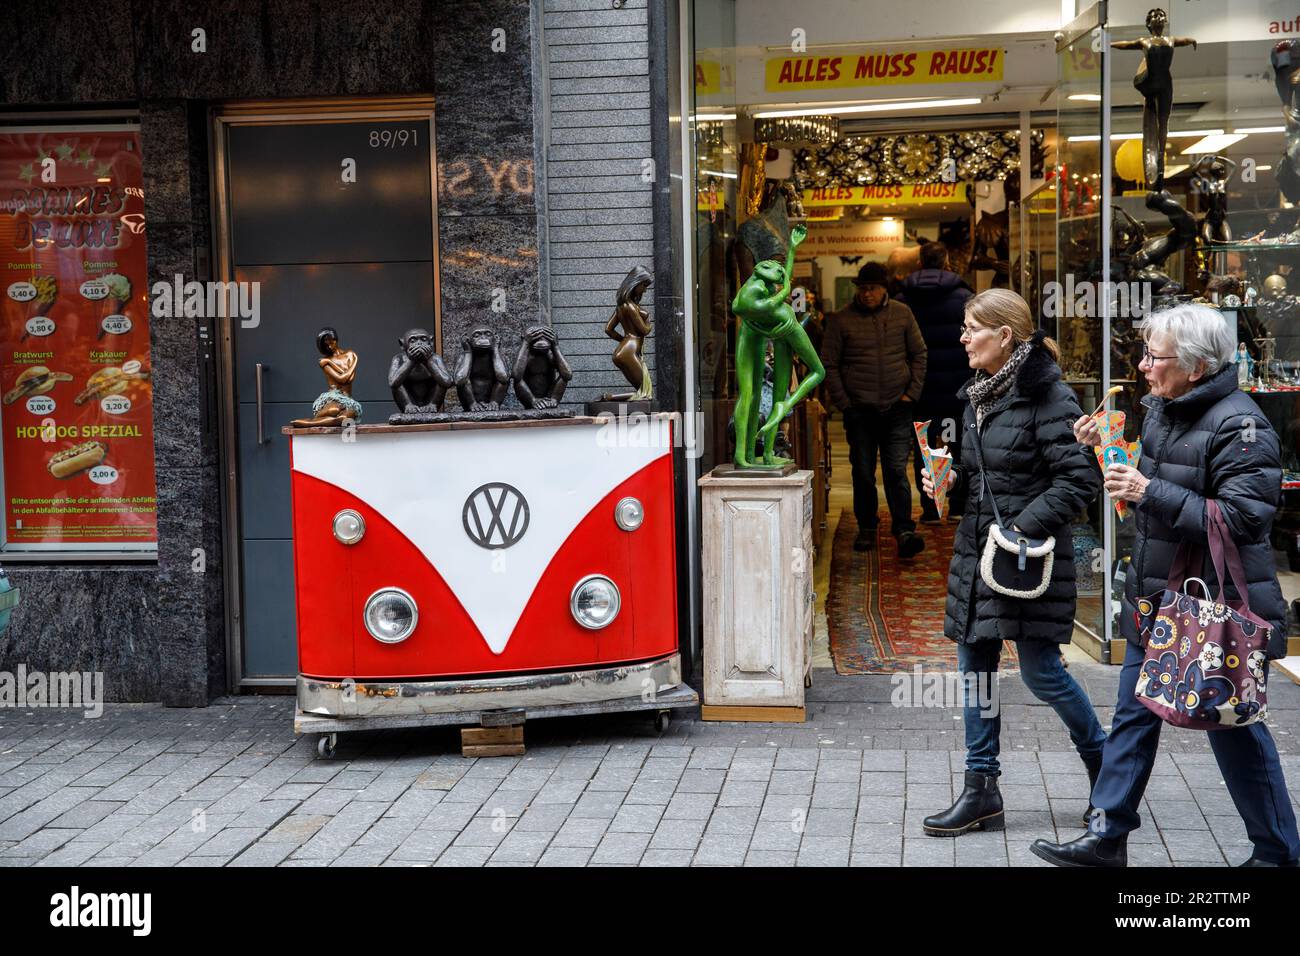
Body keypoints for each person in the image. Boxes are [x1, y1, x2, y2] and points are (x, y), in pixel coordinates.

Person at [1032, 304, 1300, 867]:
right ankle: (1107, 838)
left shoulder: (1243, 425)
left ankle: (1278, 853)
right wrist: (1106, 453)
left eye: (1156, 356)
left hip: (1212, 608)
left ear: (1196, 367)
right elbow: (1153, 495)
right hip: (1157, 595)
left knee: (1233, 728)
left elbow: (1243, 519)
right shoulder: (1163, 409)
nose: (1144, 365)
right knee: (1132, 714)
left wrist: (1148, 489)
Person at [920, 289, 1106, 837]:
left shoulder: (1050, 397)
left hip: (1027, 558)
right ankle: (981, 791)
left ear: (1005, 336)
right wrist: (948, 483)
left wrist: (1019, 528)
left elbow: (1079, 481)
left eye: (972, 328)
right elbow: (982, 481)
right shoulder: (978, 395)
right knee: (974, 670)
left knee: (1040, 671)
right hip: (977, 555)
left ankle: (1109, 771)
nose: (962, 338)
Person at [821, 261, 928, 557]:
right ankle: (867, 527)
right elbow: (828, 363)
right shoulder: (841, 320)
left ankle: (904, 529)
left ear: (884, 290)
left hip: (897, 407)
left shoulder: (902, 314)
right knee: (864, 473)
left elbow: (919, 353)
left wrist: (912, 393)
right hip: (860, 411)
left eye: (873, 288)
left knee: (896, 470)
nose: (867, 294)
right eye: (863, 288)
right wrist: (845, 403)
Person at [897, 241, 974, 522]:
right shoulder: (965, 297)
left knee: (924, 446)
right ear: (947, 263)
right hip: (957, 387)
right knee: (958, 445)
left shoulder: (902, 300)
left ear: (919, 263)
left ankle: (930, 508)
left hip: (919, 389)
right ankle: (958, 506)